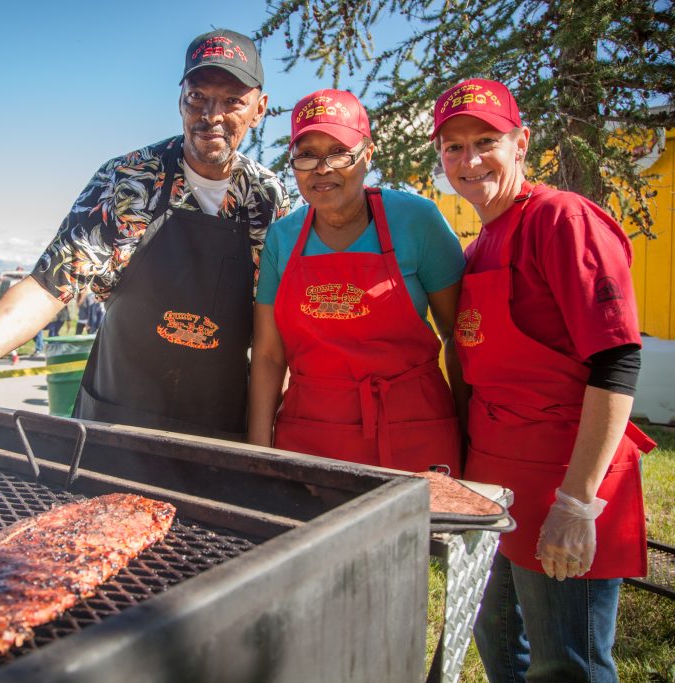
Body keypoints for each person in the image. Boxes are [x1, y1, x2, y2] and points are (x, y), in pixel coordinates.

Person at [0, 28, 289, 438]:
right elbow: (47, 286)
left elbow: (275, 336)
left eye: (232, 101)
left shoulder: (266, 197)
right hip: (118, 417)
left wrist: (262, 445)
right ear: (180, 98)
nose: (211, 115)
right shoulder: (129, 179)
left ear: (259, 109)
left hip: (220, 426)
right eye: (198, 96)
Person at [430, 78, 656, 682]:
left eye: (486, 141)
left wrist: (576, 504)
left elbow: (617, 359)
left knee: (566, 666)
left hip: (561, 480)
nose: (470, 159)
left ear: (521, 143)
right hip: (496, 489)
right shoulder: (478, 246)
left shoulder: (561, 219)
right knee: (501, 651)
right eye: (453, 147)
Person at [247, 89, 466, 474]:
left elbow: (457, 337)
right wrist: (257, 455)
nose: (322, 168)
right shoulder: (282, 237)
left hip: (415, 435)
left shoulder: (418, 220)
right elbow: (268, 355)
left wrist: (469, 435)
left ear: (368, 153)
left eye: (338, 152)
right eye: (307, 154)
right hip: (309, 438)